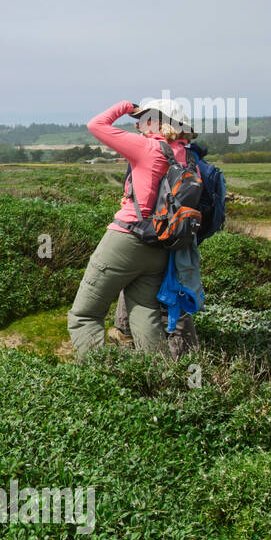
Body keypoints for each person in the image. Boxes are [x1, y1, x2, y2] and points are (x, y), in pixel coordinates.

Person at [67, 98, 193, 358]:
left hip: (126, 239)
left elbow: (96, 125)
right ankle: (157, 379)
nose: (138, 126)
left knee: (85, 314)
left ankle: (98, 382)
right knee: (145, 314)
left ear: (162, 122)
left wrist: (125, 106)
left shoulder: (148, 147)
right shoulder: (186, 156)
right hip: (160, 246)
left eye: (146, 119)